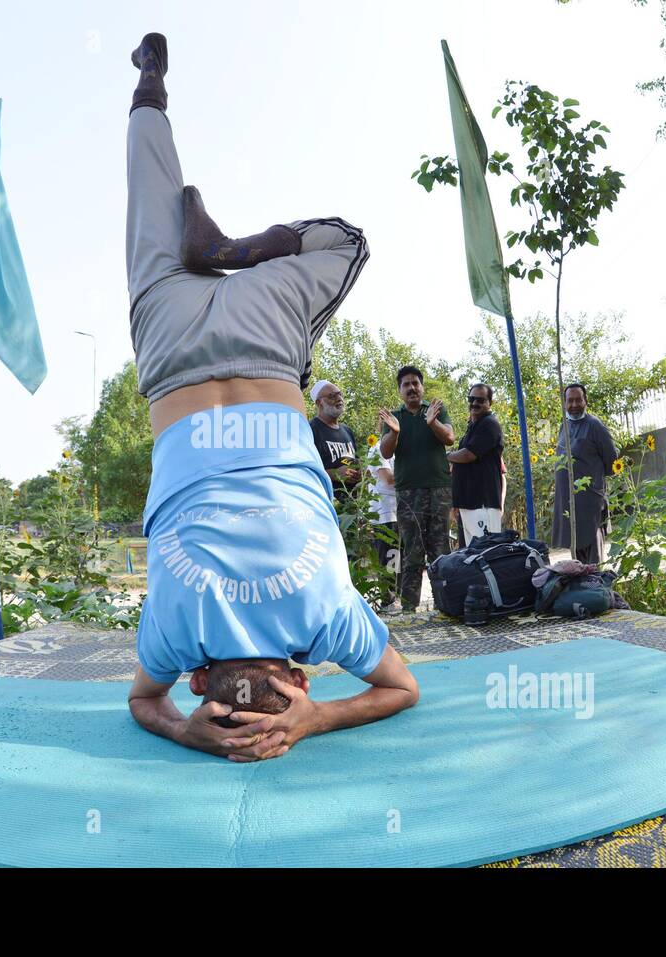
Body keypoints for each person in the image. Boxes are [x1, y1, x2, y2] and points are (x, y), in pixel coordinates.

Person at [122, 34, 419, 763]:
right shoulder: (174, 632)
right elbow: (142, 700)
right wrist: (181, 725)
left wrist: (316, 716)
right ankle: (149, 90)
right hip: (172, 351)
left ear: (298, 674)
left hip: (265, 329)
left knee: (347, 245)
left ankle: (235, 251)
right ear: (197, 677)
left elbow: (402, 689)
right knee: (146, 192)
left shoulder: (324, 620)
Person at [377, 365, 455, 613]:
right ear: (400, 390)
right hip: (408, 492)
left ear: (422, 387)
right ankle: (410, 610)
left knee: (441, 548)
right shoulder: (393, 418)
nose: (411, 388)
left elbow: (450, 438)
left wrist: (432, 423)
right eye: (406, 384)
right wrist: (395, 432)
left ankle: (447, 602)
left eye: (415, 383)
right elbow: (386, 451)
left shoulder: (436, 411)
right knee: (412, 550)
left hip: (439, 489)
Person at [551, 383, 618, 563]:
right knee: (577, 559)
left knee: (593, 557)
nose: (574, 405)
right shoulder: (564, 426)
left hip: (590, 503)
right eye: (570, 400)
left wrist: (594, 481)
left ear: (585, 401)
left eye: (578, 400)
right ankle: (583, 589)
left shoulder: (595, 426)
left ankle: (596, 589)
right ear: (564, 403)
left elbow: (613, 461)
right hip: (569, 502)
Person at [446, 383, 504, 546]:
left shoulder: (489, 424)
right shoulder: (473, 426)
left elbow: (468, 455)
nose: (474, 403)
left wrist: (447, 456)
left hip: (482, 503)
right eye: (471, 399)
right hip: (468, 504)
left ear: (489, 403)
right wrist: (456, 502)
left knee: (485, 553)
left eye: (480, 400)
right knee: (472, 557)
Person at [308, 380, 360, 503]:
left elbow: (355, 460)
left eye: (340, 394)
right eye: (332, 396)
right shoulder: (310, 430)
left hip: (352, 506)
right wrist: (335, 474)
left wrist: (360, 471)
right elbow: (306, 471)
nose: (339, 398)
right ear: (319, 402)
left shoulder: (347, 430)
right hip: (325, 503)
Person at [366, 441, 399, 613]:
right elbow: (388, 478)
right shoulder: (378, 448)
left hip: (398, 510)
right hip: (383, 512)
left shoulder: (399, 447)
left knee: (397, 558)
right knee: (387, 559)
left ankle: (396, 600)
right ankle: (388, 602)